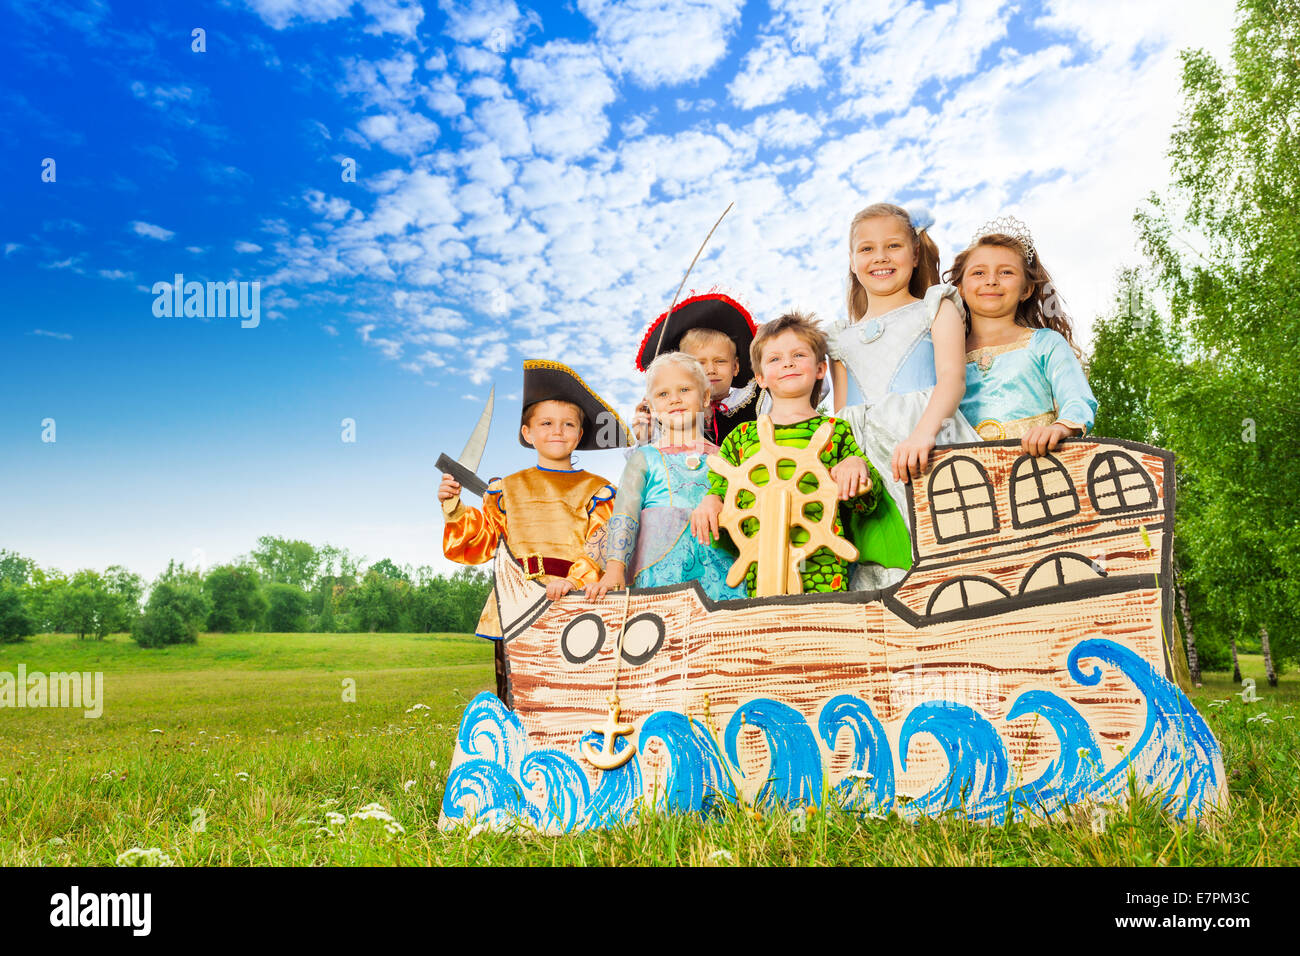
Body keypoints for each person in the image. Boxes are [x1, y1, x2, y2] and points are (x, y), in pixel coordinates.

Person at [438, 359, 629, 700]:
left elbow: (601, 544)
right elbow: (484, 541)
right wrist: (453, 508)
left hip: (572, 597)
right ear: (527, 433)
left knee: (569, 693)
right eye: (546, 423)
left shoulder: (597, 490)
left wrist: (573, 581)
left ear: (580, 434)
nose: (557, 431)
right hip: (514, 600)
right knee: (516, 693)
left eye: (568, 424)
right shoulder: (505, 490)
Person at [690, 312, 912, 597]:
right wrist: (711, 500)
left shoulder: (836, 431)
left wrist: (857, 467)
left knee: (823, 633)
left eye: (798, 355)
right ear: (760, 378)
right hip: (759, 559)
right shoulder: (743, 437)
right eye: (774, 359)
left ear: (820, 369)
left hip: (824, 562)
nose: (787, 363)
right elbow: (722, 484)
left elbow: (867, 503)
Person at [825, 204, 979, 543]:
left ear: (914, 253)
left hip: (927, 442)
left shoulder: (935, 307)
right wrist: (849, 459)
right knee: (881, 550)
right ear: (852, 262)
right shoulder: (839, 338)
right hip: (865, 463)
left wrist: (923, 434)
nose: (880, 257)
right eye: (867, 249)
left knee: (943, 535)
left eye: (893, 245)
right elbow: (840, 417)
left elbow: (952, 380)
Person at [587, 352, 747, 602]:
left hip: (721, 572)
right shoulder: (644, 458)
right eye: (663, 394)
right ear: (650, 406)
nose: (674, 399)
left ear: (705, 397)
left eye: (684, 389)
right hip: (659, 573)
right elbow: (625, 513)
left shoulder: (724, 458)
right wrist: (615, 569)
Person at [946, 217, 1098, 456]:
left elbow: (1077, 398)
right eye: (978, 272)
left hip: (1038, 473)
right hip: (969, 481)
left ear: (1026, 289)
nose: (991, 280)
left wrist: (1059, 428)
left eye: (1006, 272)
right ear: (960, 288)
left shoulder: (1045, 343)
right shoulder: (944, 354)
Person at [633, 292, 758, 447]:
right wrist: (646, 437)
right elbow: (651, 464)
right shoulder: (668, 414)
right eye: (700, 363)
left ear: (736, 366)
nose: (711, 370)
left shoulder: (756, 403)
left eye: (720, 361)